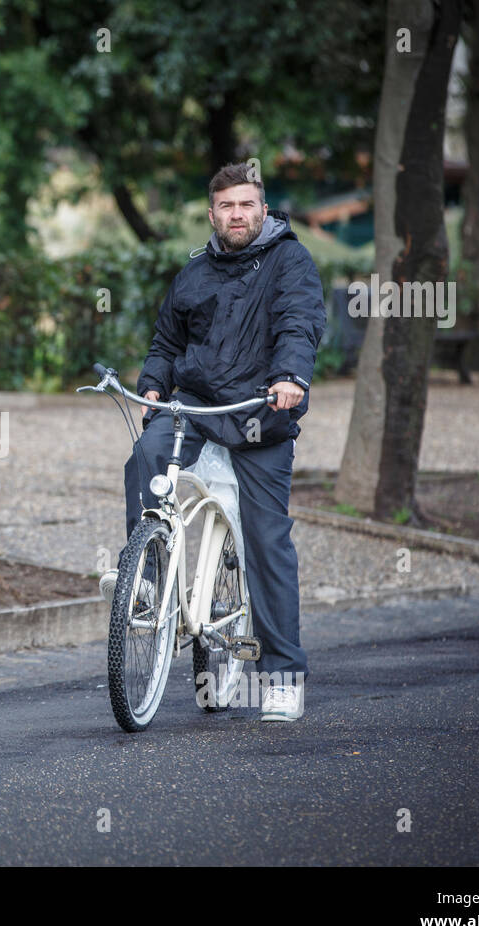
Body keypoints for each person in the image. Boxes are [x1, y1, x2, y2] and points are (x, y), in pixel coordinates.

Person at [99, 162, 326, 721]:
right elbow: (165, 340)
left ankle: (281, 676)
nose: (237, 215)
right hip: (198, 408)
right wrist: (153, 384)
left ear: (263, 209)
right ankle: (146, 584)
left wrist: (290, 378)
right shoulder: (194, 270)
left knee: (267, 540)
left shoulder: (289, 261)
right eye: (227, 206)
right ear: (212, 214)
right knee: (146, 457)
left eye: (247, 205)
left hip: (258, 413)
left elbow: (300, 323)